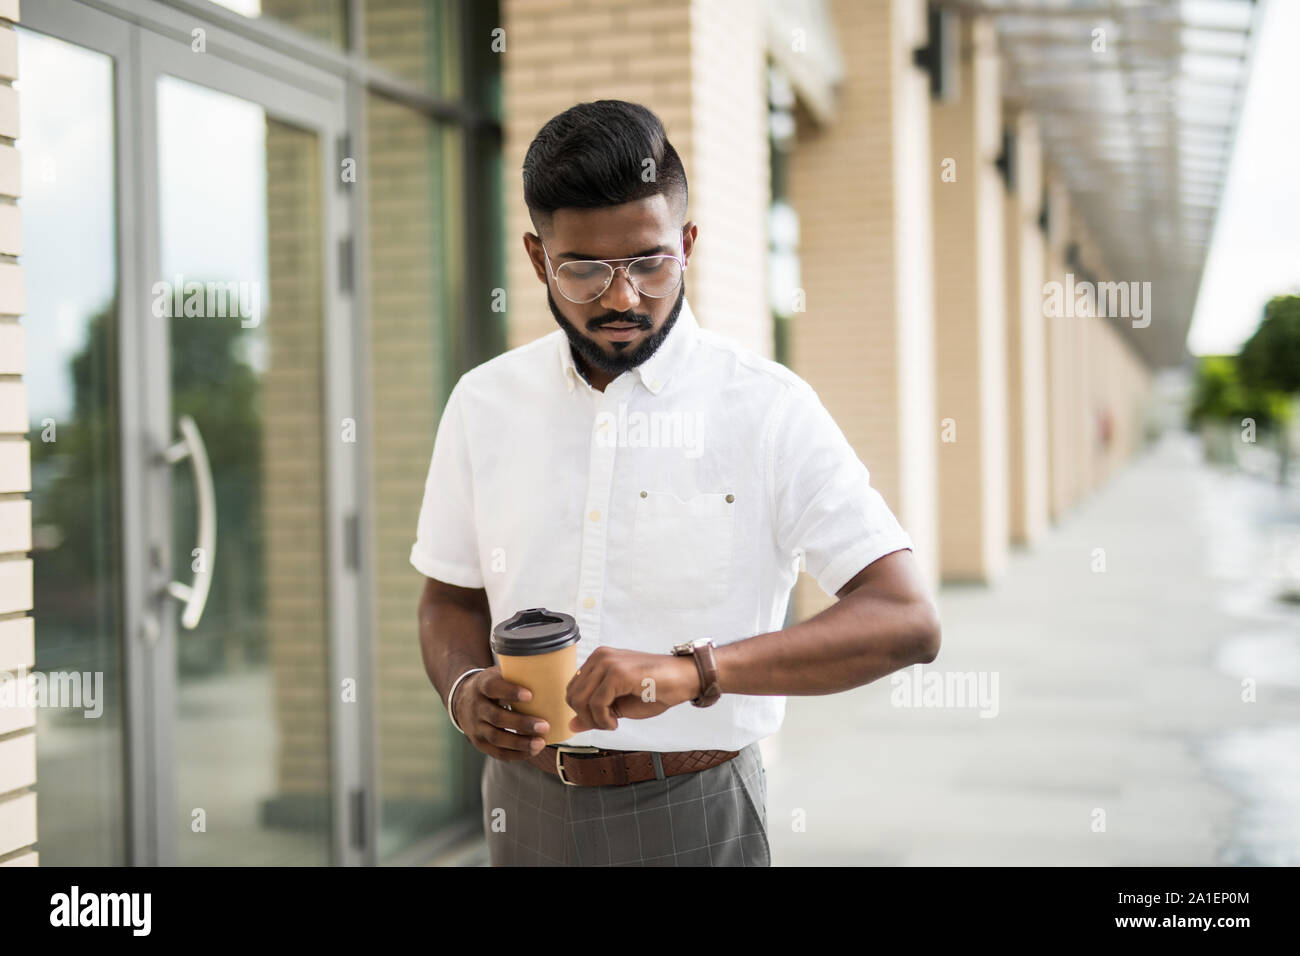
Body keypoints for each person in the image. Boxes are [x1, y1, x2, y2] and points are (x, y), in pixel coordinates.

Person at [412, 99, 941, 866]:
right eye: (584, 269)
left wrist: (694, 673)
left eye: (650, 262)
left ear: (687, 244)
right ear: (537, 260)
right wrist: (463, 690)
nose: (622, 298)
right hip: (519, 809)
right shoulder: (482, 404)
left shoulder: (766, 408)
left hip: (695, 811)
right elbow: (448, 600)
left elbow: (907, 620)